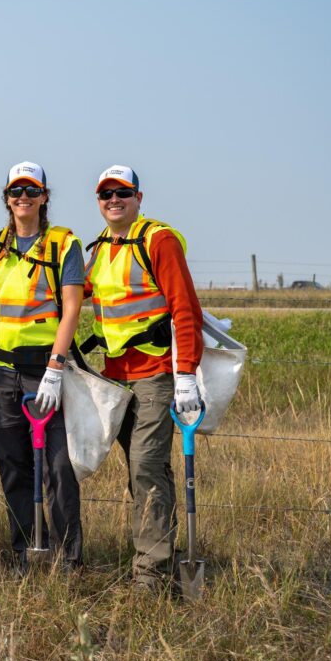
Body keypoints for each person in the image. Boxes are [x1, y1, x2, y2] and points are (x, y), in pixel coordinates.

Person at [81, 164, 203, 592]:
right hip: (115, 379)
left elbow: (185, 308)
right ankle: (163, 561)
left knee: (146, 466)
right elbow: (75, 297)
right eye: (105, 194)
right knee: (145, 473)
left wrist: (185, 375)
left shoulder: (159, 240)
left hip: (156, 374)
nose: (113, 200)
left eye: (122, 193)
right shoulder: (95, 250)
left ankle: (148, 578)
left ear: (139, 197)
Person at [0, 162, 85, 572]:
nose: (23, 198)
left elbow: (71, 309)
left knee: (58, 467)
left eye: (31, 191)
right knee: (13, 466)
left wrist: (55, 367)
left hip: (42, 373)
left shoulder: (63, 245)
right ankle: (27, 550)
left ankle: (68, 558)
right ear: (7, 198)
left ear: (44, 197)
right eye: (16, 191)